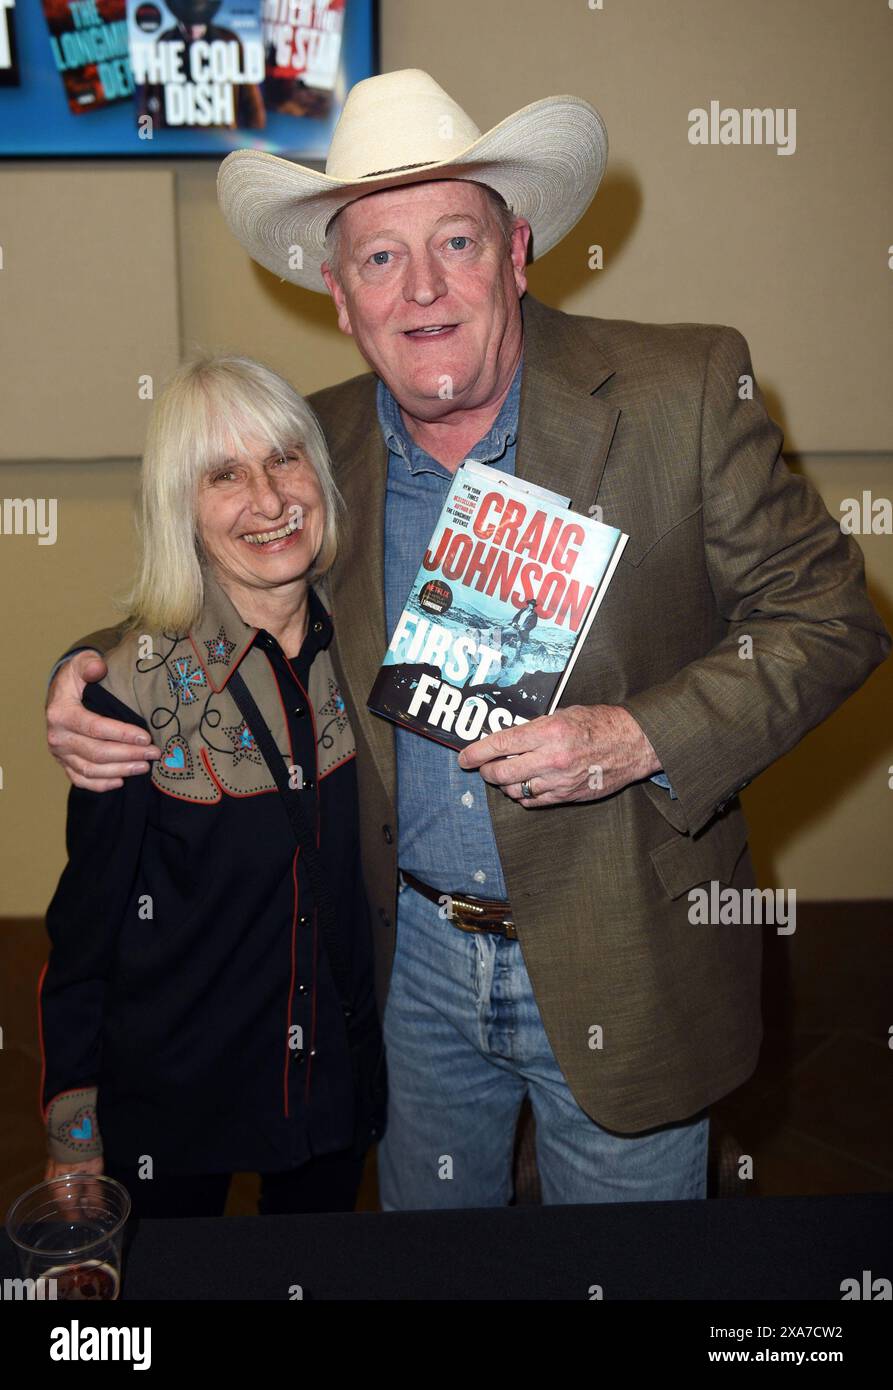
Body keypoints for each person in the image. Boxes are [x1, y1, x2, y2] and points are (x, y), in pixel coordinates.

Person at [45, 70, 890, 1209]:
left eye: (455, 239)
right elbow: (217, 579)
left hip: (622, 947)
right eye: (380, 258)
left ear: (516, 252)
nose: (424, 288)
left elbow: (830, 615)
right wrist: (90, 671)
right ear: (340, 298)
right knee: (433, 1280)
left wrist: (637, 735)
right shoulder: (321, 443)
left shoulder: (679, 391)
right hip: (411, 974)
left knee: (627, 1286)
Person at [40, 355, 384, 1218]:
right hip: (172, 1104)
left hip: (332, 1088)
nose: (268, 501)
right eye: (223, 474)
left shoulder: (376, 649)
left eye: (284, 459)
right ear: (180, 510)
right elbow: (86, 929)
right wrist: (72, 1130)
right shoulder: (128, 692)